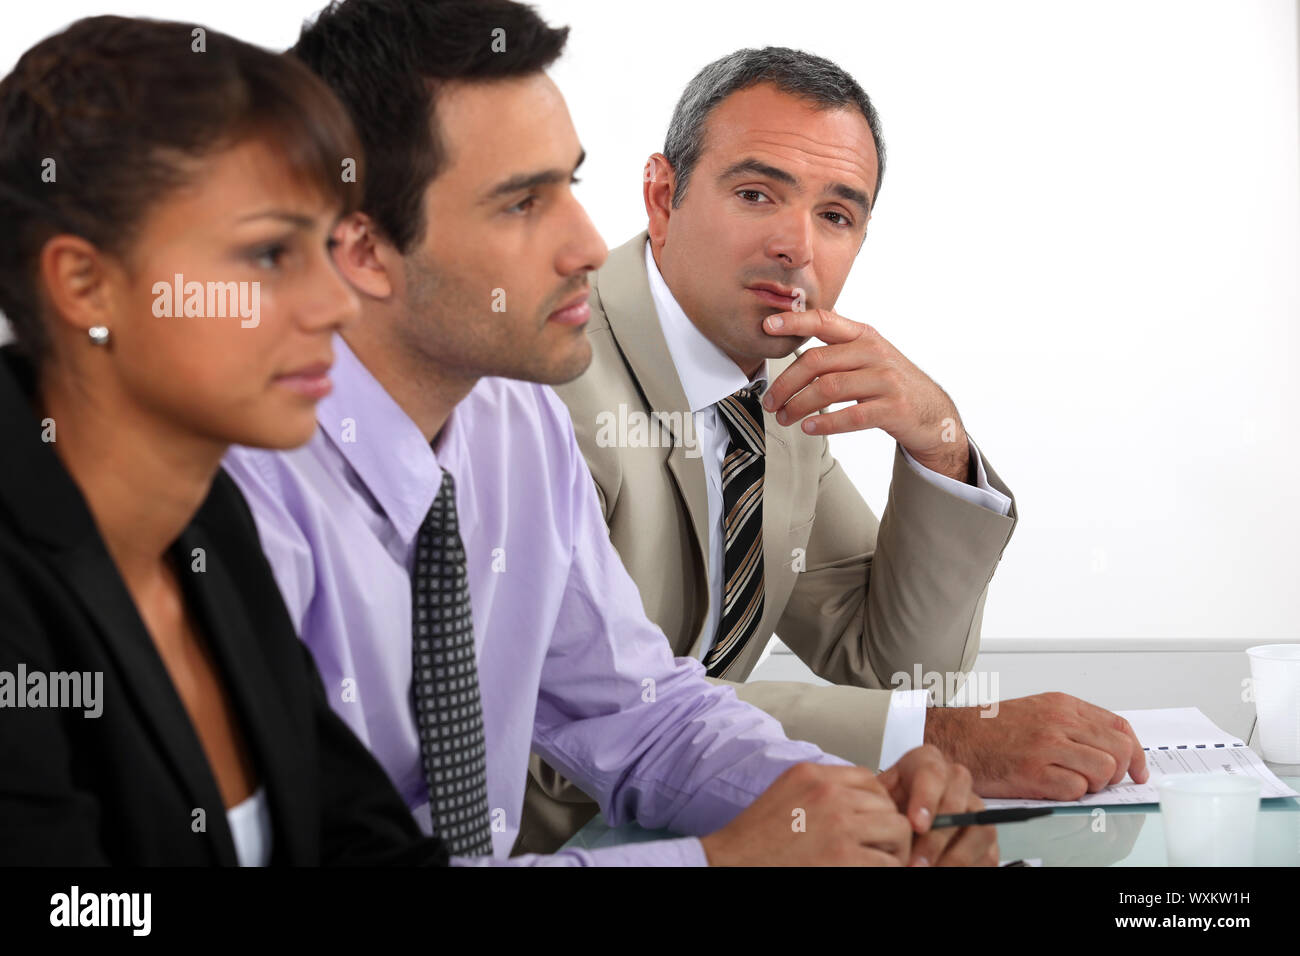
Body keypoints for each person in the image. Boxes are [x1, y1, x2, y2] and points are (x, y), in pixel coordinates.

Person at [223, 0, 996, 867]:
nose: (591, 244)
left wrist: (852, 805)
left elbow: (641, 713)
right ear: (364, 248)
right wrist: (721, 860)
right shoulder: (235, 484)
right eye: (521, 202)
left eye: (570, 187)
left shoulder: (513, 425)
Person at [528, 46, 1149, 851]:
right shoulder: (542, 374)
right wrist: (943, 736)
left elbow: (886, 667)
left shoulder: (777, 389)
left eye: (836, 214)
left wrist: (939, 446)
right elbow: (599, 707)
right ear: (661, 196)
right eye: (757, 193)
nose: (797, 246)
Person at [0, 16, 448, 866]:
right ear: (85, 283)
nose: (338, 303)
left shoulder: (208, 518)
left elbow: (363, 845)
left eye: (326, 244)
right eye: (270, 252)